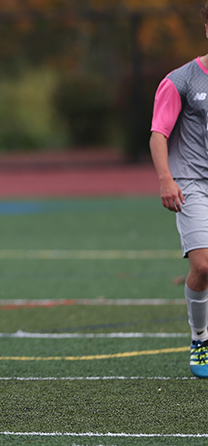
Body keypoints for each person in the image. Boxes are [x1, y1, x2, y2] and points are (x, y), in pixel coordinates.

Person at [150, 2, 208, 379]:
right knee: (203, 266)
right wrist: (166, 179)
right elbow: (159, 134)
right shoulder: (181, 80)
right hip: (191, 182)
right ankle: (200, 337)